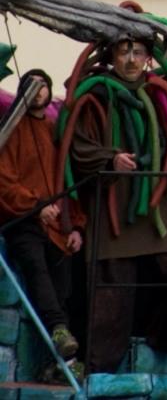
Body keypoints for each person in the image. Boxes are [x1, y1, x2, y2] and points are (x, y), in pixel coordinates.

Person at [58, 33, 167, 373]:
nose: (131, 60)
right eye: (124, 52)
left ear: (149, 58)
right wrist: (110, 159)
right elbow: (77, 144)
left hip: (151, 207)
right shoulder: (97, 95)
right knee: (111, 297)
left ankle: (158, 343)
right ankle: (99, 370)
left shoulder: (159, 94)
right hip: (112, 208)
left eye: (138, 52)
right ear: (113, 57)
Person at [0, 71, 79, 366]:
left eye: (44, 85)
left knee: (63, 286)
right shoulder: (8, 130)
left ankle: (58, 365)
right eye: (32, 85)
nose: (38, 91)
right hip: (22, 220)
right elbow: (4, 181)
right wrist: (36, 206)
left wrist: (76, 226)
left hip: (57, 226)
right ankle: (59, 330)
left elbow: (68, 178)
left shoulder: (54, 129)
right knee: (35, 267)